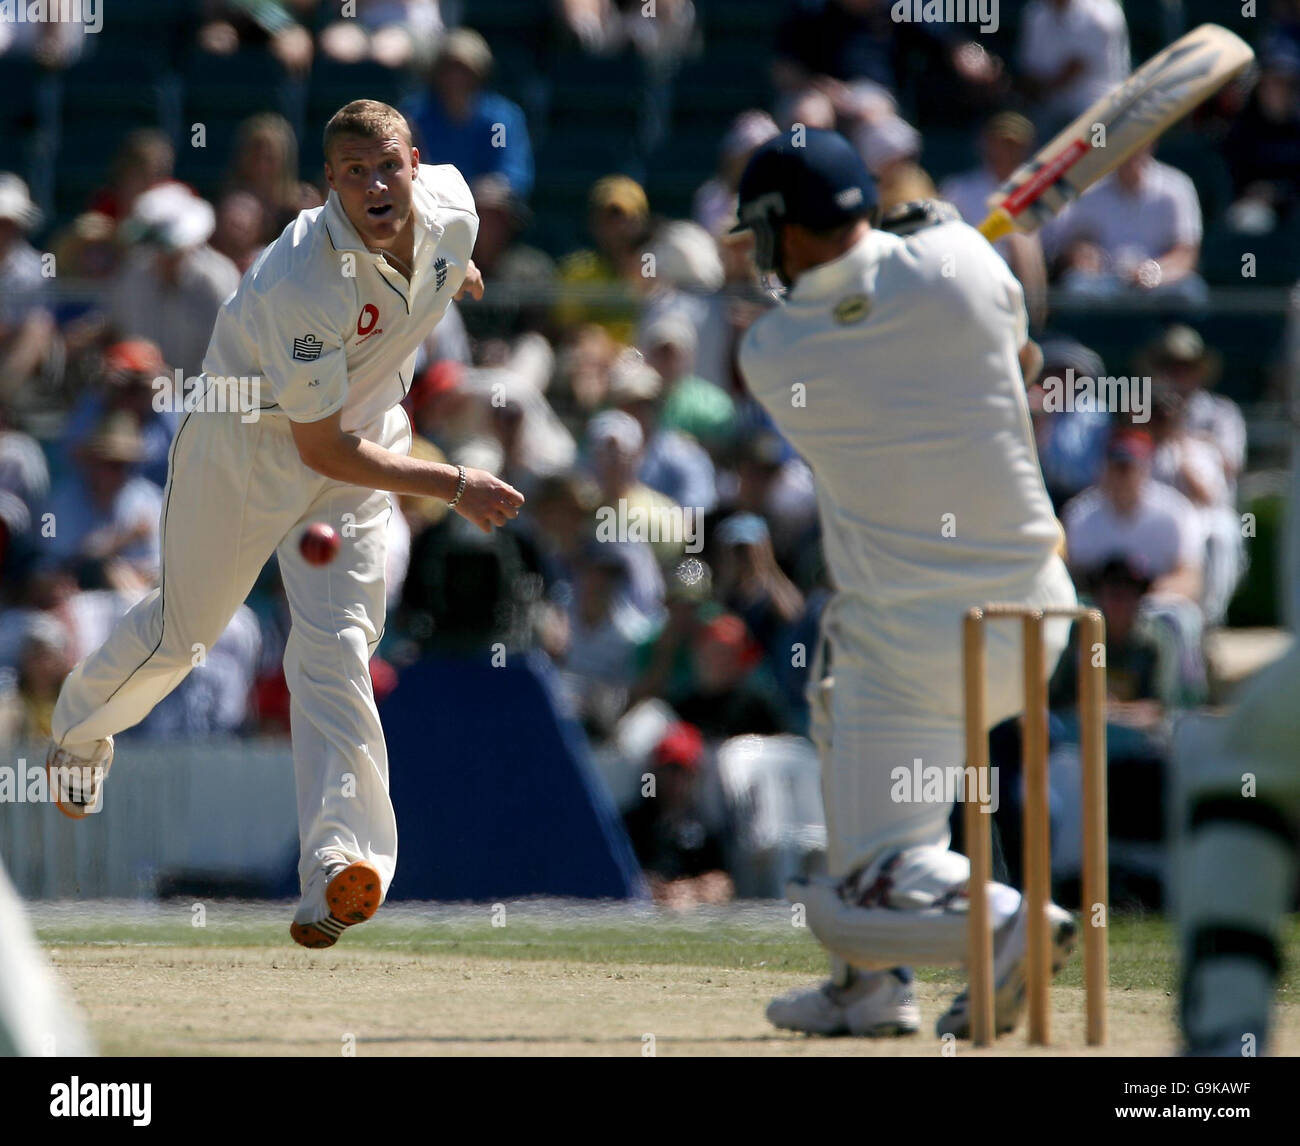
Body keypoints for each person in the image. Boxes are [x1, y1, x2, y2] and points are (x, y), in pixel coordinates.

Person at [44, 100, 524, 950]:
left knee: (336, 646)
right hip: (249, 446)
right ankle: (80, 730)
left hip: (363, 436)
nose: (377, 188)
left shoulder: (453, 205)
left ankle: (340, 868)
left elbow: (450, 262)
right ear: (327, 186)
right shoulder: (301, 279)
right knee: (183, 635)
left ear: (416, 161)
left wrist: (459, 273)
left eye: (387, 167)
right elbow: (321, 448)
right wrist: (454, 485)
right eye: (353, 175)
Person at [731, 129, 1079, 1040]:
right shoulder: (964, 260)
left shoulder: (773, 353)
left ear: (785, 231)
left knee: (859, 886)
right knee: (835, 699)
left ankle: (1003, 923)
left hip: (913, 649)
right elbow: (1016, 362)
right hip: (1039, 615)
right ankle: (867, 990)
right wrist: (942, 238)